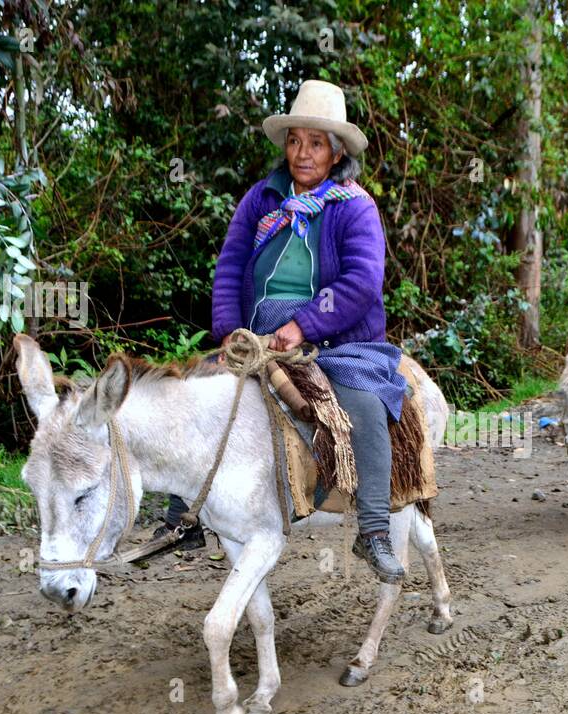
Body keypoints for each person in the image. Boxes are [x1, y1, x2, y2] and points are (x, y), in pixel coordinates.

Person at [158, 79, 406, 584]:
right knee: (194, 396)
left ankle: (375, 529)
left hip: (337, 341)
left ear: (337, 154)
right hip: (257, 336)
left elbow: (360, 282)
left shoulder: (354, 206)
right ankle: (183, 516)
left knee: (363, 402)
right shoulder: (262, 199)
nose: (302, 152)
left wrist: (303, 325)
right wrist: (230, 331)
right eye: (295, 141)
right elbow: (229, 267)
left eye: (316, 143)